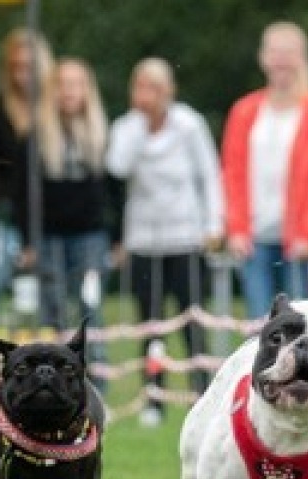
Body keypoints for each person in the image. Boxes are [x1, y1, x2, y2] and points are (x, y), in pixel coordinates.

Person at [106, 57, 223, 427]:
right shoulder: (126, 128)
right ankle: (153, 397)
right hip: (144, 240)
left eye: (154, 88)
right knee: (150, 324)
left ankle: (202, 392)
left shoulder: (190, 124)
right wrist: (141, 125)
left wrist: (214, 223)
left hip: (186, 237)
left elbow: (209, 174)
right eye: (141, 87)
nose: (148, 95)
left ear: (169, 90)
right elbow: (118, 167)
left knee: (192, 321)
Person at [222, 21, 308, 320]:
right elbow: (232, 174)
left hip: (299, 243)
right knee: (260, 323)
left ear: (303, 58)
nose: (281, 60)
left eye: (289, 52)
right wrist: (236, 229)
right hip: (255, 239)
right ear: (263, 57)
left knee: (301, 324)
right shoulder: (244, 111)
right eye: (275, 52)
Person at [19, 58, 111, 372]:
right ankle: (52, 377)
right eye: (62, 84)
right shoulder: (35, 137)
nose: (69, 91)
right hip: (49, 237)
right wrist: (28, 240)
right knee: (53, 311)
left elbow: (113, 191)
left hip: (90, 236)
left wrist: (117, 238)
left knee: (90, 309)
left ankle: (96, 377)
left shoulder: (101, 133)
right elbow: (23, 192)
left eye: (76, 84)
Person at [0, 29, 53, 329]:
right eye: (16, 67)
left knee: (50, 299)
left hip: (49, 219)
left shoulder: (56, 111)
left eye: (29, 67)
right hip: (6, 214)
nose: (22, 75)